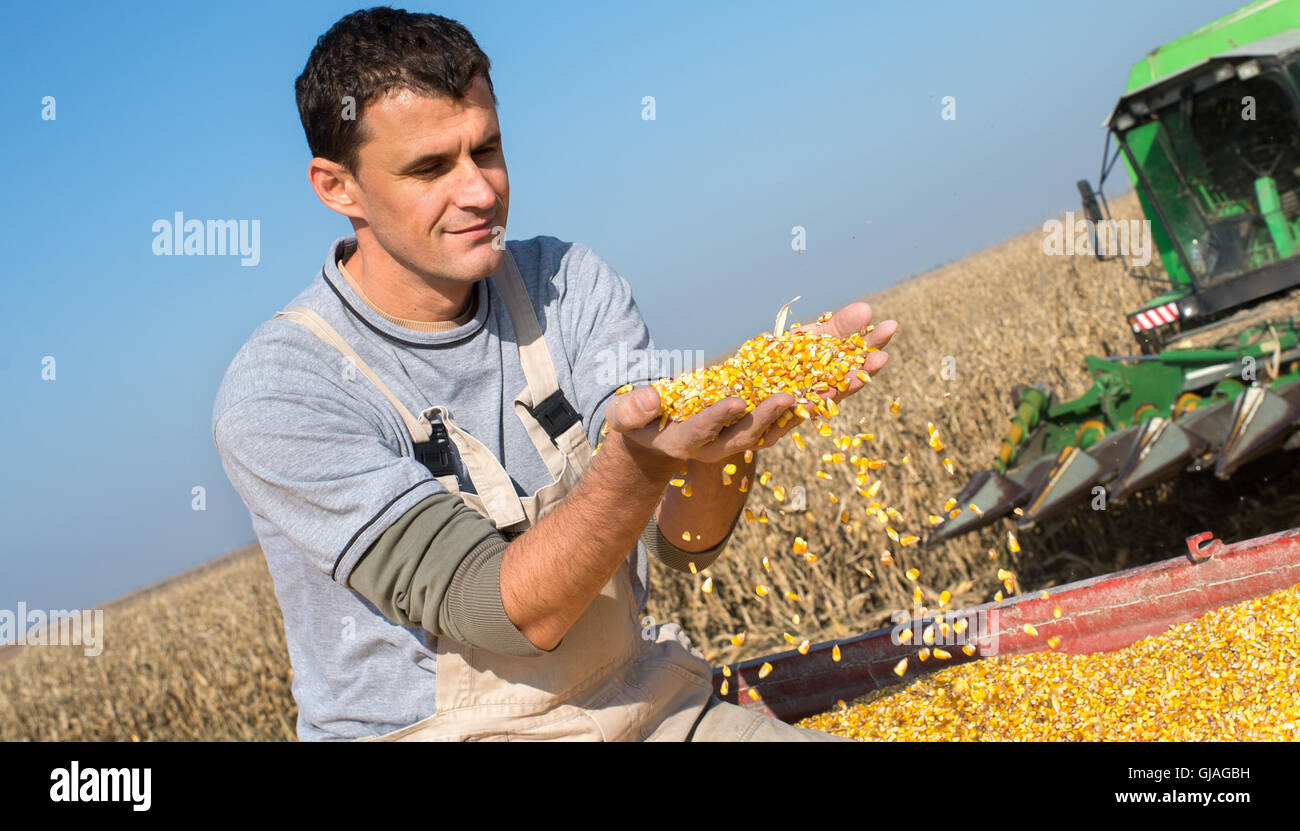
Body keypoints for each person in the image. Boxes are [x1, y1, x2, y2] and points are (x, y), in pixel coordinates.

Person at [211, 7, 897, 742]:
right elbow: (505, 609)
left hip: (636, 705)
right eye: (431, 168)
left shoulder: (564, 281)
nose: (479, 191)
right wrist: (642, 464)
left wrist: (724, 447)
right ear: (337, 187)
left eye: (488, 149)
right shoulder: (284, 389)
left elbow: (683, 544)